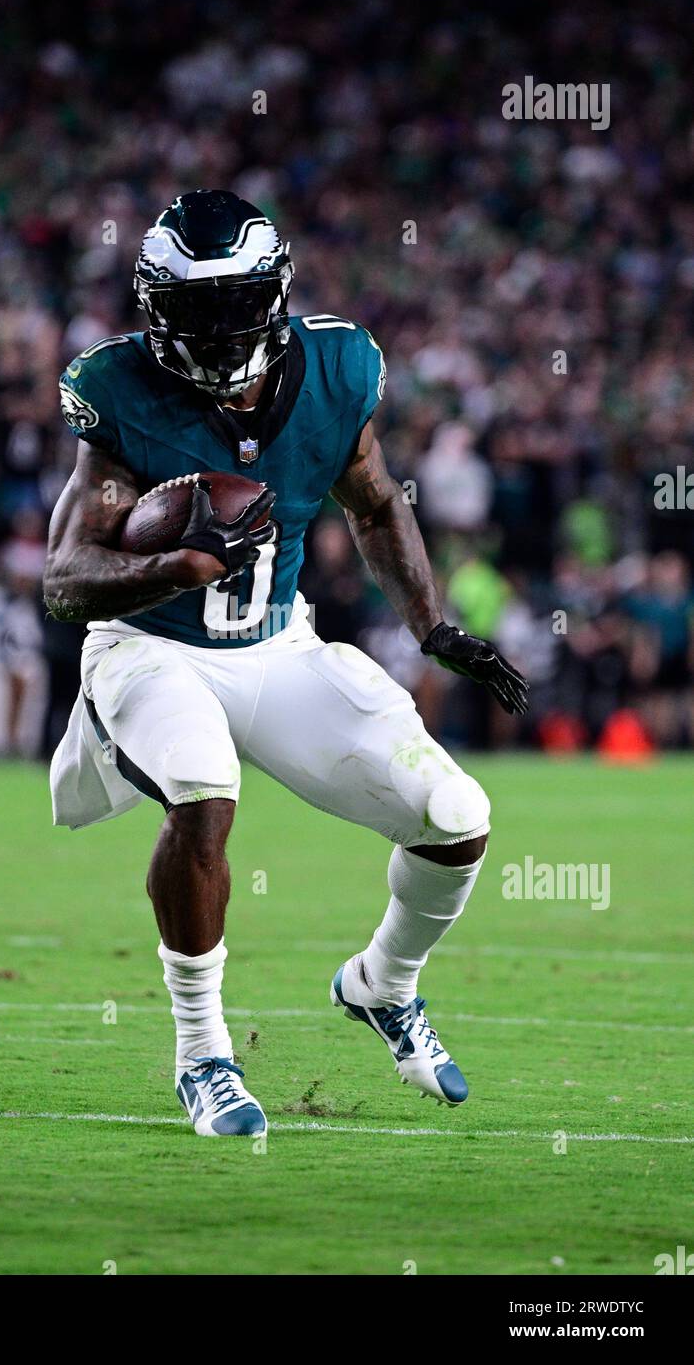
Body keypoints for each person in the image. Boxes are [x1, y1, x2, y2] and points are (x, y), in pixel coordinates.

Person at [45, 191, 528, 1137]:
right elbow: (65, 579)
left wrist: (432, 627)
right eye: (197, 313)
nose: (219, 335)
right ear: (155, 309)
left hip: (275, 645)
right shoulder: (119, 391)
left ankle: (383, 984)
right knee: (200, 782)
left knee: (457, 816)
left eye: (234, 307)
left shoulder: (340, 369)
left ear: (274, 295)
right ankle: (202, 1055)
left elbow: (377, 503)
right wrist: (167, 566)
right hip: (150, 648)